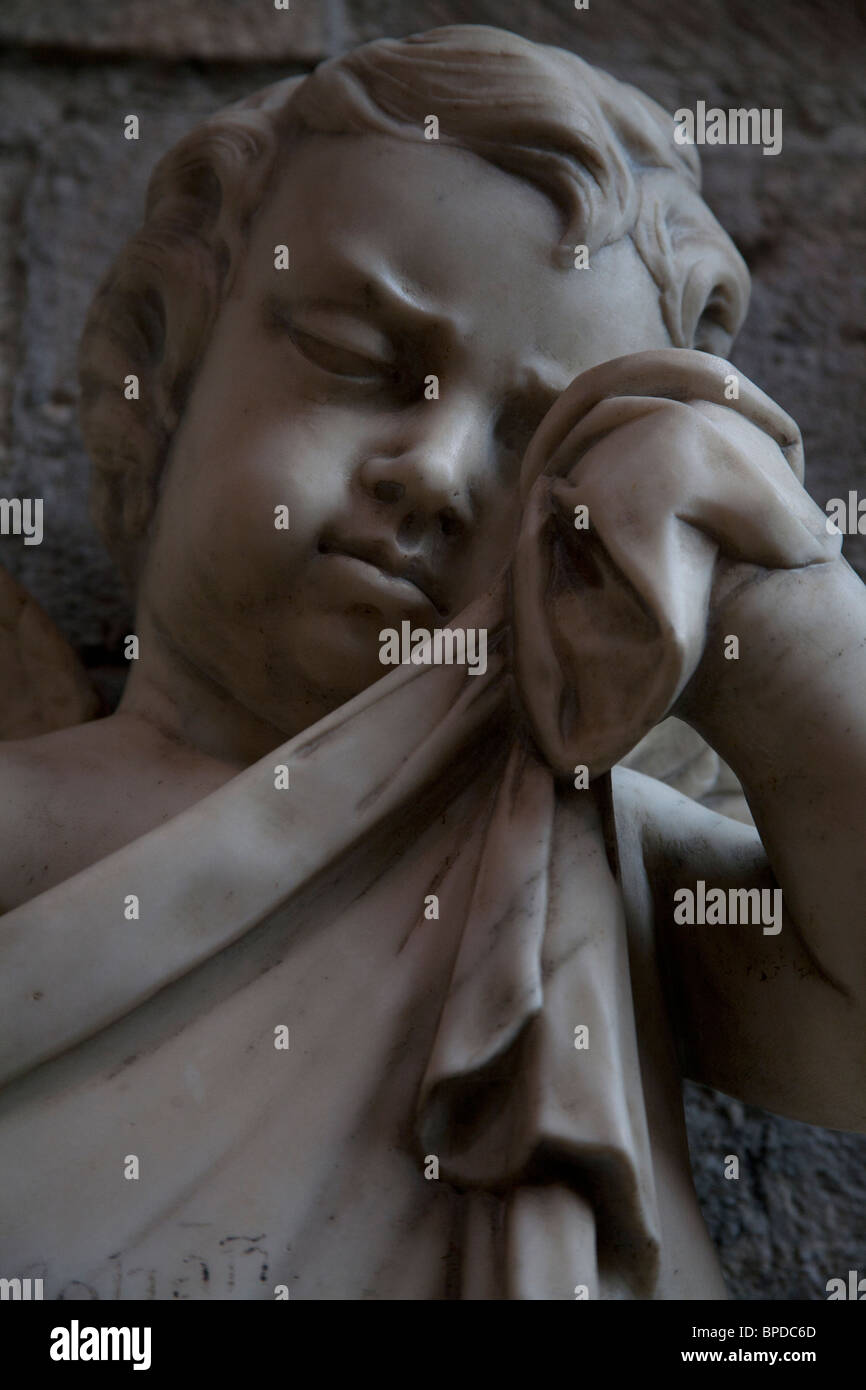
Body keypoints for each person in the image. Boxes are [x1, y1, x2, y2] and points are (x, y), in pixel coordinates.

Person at [0, 24, 862, 1300]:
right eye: (358, 363)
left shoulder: (575, 848)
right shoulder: (34, 816)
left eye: (541, 449)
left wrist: (761, 602)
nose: (439, 472)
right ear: (163, 377)